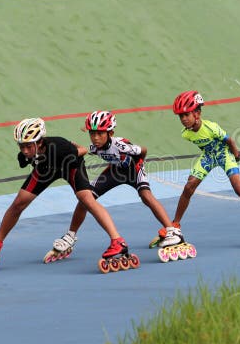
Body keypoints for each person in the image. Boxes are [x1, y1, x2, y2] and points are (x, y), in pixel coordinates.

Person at [0, 117, 132, 272]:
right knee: (18, 204)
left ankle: (117, 240)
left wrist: (72, 151)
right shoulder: (24, 155)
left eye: (29, 146)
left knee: (86, 199)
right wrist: (32, 155)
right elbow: (29, 160)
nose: (25, 151)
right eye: (21, 146)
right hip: (46, 170)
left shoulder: (59, 146)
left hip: (70, 166)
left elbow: (83, 150)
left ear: (40, 142)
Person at [49, 110, 189, 260]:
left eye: (100, 134)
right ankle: (70, 236)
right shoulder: (95, 146)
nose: (95, 138)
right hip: (115, 172)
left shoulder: (121, 146)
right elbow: (86, 150)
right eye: (92, 133)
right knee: (85, 198)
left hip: (134, 171)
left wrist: (139, 165)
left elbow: (143, 150)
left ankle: (172, 231)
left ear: (111, 133)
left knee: (146, 196)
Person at [170, 90, 240, 247]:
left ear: (197, 113)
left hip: (224, 155)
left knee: (238, 188)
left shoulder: (211, 127)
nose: (183, 119)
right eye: (180, 116)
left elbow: (229, 140)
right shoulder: (186, 134)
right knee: (188, 187)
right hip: (208, 156)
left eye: (186, 115)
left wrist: (236, 154)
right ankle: (174, 225)